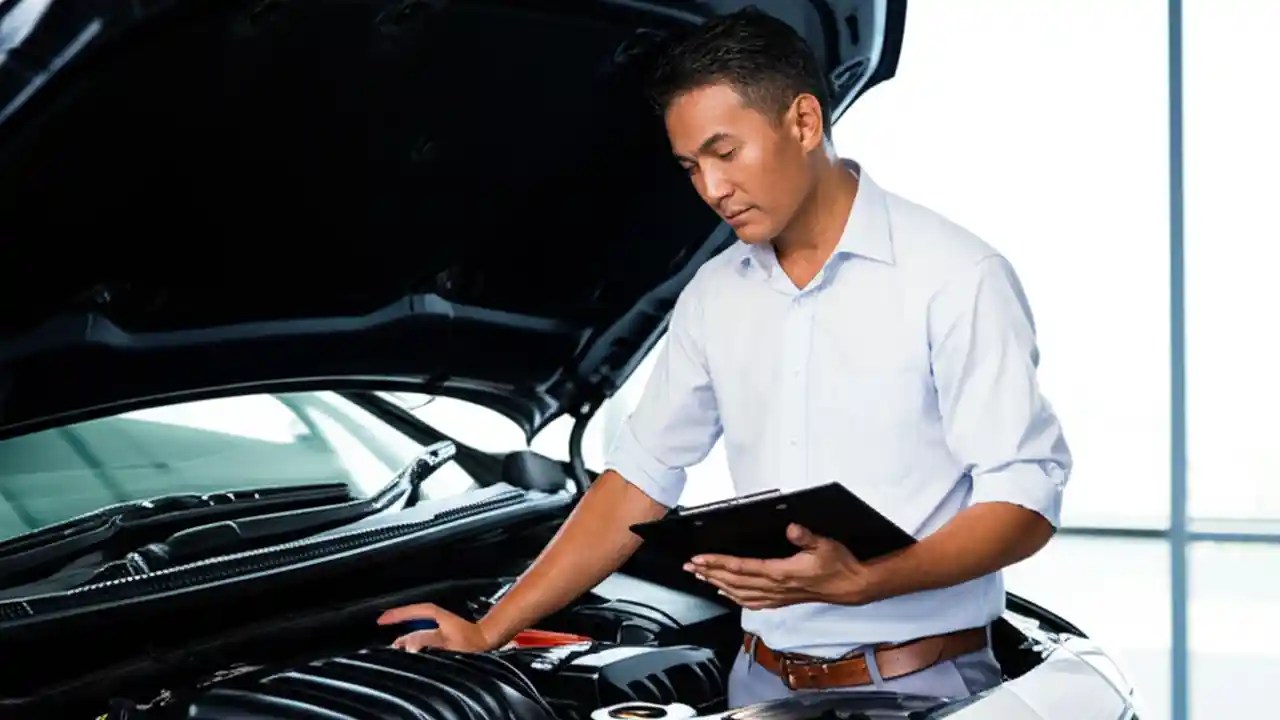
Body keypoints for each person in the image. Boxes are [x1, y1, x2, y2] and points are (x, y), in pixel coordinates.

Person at [377, 8, 1071, 707]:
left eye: (725, 152)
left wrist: (868, 581)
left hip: (923, 688)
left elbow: (1026, 500)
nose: (711, 189)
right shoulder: (714, 294)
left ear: (803, 122)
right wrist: (489, 629)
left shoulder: (955, 276)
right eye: (690, 167)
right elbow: (640, 477)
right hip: (757, 683)